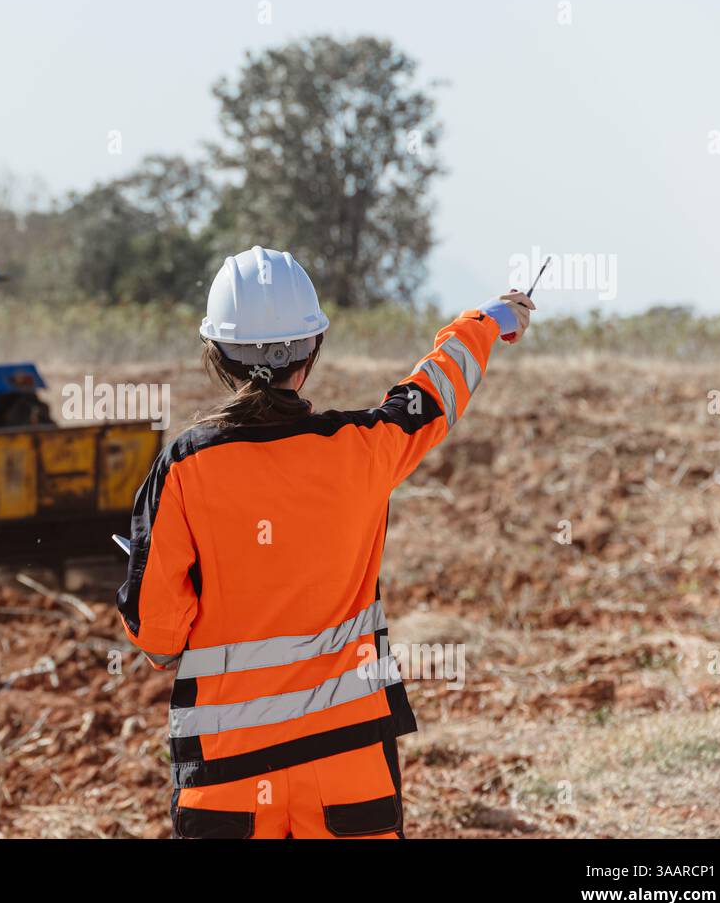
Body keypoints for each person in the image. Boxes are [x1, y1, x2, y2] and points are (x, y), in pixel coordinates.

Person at [116, 246, 532, 839]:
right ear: (312, 349)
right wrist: (489, 321)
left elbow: (157, 635)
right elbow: (434, 391)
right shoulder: (364, 446)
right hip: (350, 764)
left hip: (228, 771)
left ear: (218, 356)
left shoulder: (185, 467)